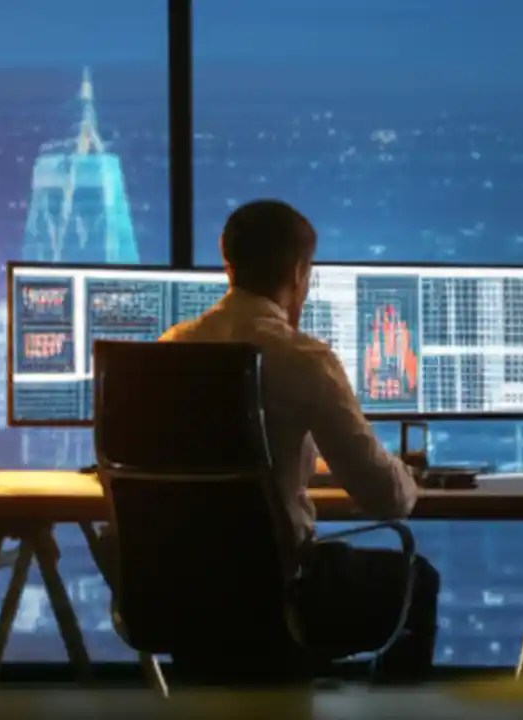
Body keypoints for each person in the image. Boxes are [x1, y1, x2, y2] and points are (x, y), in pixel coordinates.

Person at [103, 199, 437, 681]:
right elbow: (388, 499)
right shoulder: (301, 357)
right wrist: (409, 476)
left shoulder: (170, 348)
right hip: (279, 596)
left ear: (228, 266)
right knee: (417, 579)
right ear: (300, 272)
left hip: (178, 596)